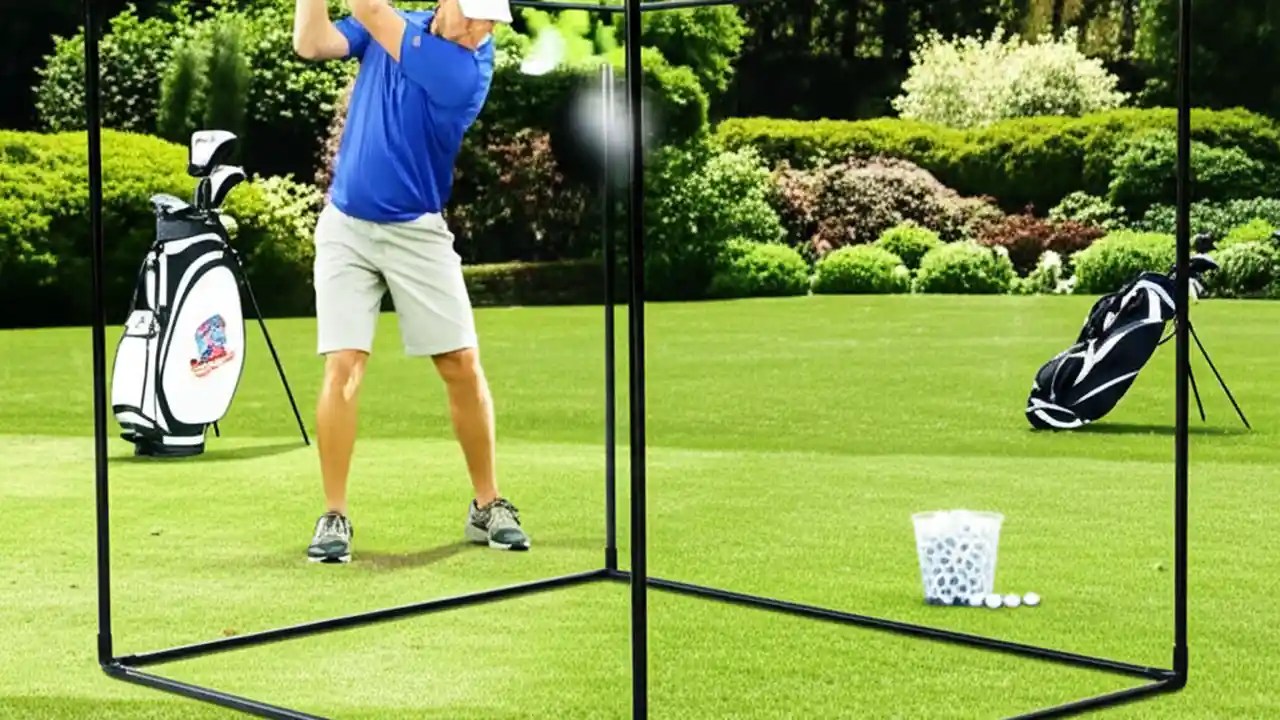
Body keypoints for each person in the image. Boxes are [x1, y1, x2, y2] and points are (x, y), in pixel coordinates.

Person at [292, 0, 530, 563]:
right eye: (475, 16)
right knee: (343, 364)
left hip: (416, 230)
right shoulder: (406, 26)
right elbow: (312, 42)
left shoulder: (467, 71)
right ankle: (334, 515)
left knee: (461, 365)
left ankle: (487, 503)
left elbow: (370, 8)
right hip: (346, 224)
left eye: (492, 21)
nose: (482, 29)